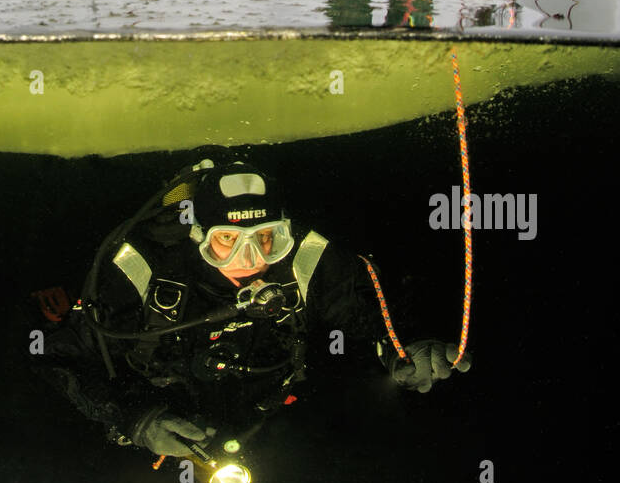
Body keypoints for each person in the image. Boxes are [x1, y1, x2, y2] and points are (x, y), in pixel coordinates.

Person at [31, 157, 471, 459]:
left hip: (274, 425)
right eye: (227, 239)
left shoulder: (304, 259)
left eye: (266, 237)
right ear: (197, 234)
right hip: (157, 424)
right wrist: (136, 421)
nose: (250, 258)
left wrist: (409, 344)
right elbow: (59, 355)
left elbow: (369, 310)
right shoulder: (140, 268)